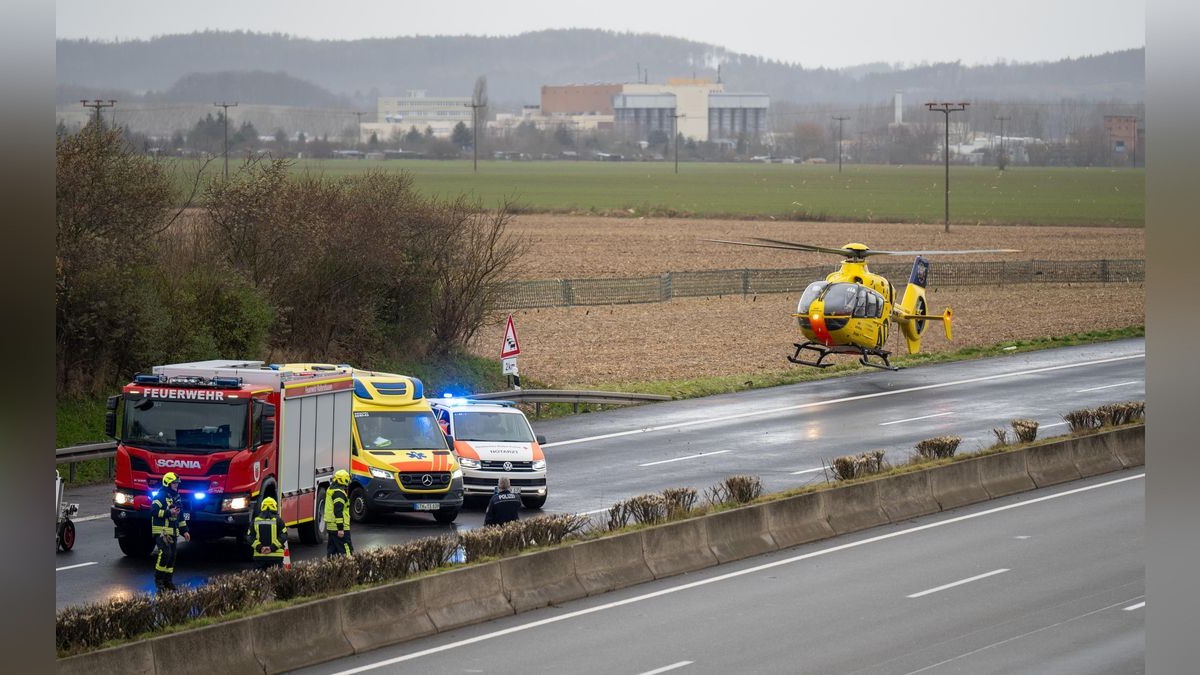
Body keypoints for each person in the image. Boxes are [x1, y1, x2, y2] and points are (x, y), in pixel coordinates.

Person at [150, 471, 190, 592]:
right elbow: (153, 511)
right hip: (162, 532)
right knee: (165, 553)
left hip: (173, 532)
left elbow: (180, 516)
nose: (176, 485)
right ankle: (159, 580)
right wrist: (168, 512)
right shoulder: (159, 496)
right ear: (167, 483)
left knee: (172, 556)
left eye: (177, 483)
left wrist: (185, 531)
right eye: (174, 483)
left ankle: (168, 581)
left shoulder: (176, 497)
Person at [247, 496, 288, 569]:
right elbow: (284, 535)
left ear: (262, 507)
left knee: (260, 579)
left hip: (260, 556)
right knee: (275, 579)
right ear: (275, 506)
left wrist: (260, 548)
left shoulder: (255, 521)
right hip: (276, 557)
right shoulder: (279, 520)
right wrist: (271, 548)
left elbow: (249, 537)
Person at [324, 469, 353, 557]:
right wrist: (340, 528)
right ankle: (348, 569)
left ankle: (331, 569)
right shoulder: (339, 493)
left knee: (332, 552)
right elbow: (338, 512)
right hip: (340, 528)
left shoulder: (331, 489)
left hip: (331, 527)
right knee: (347, 551)